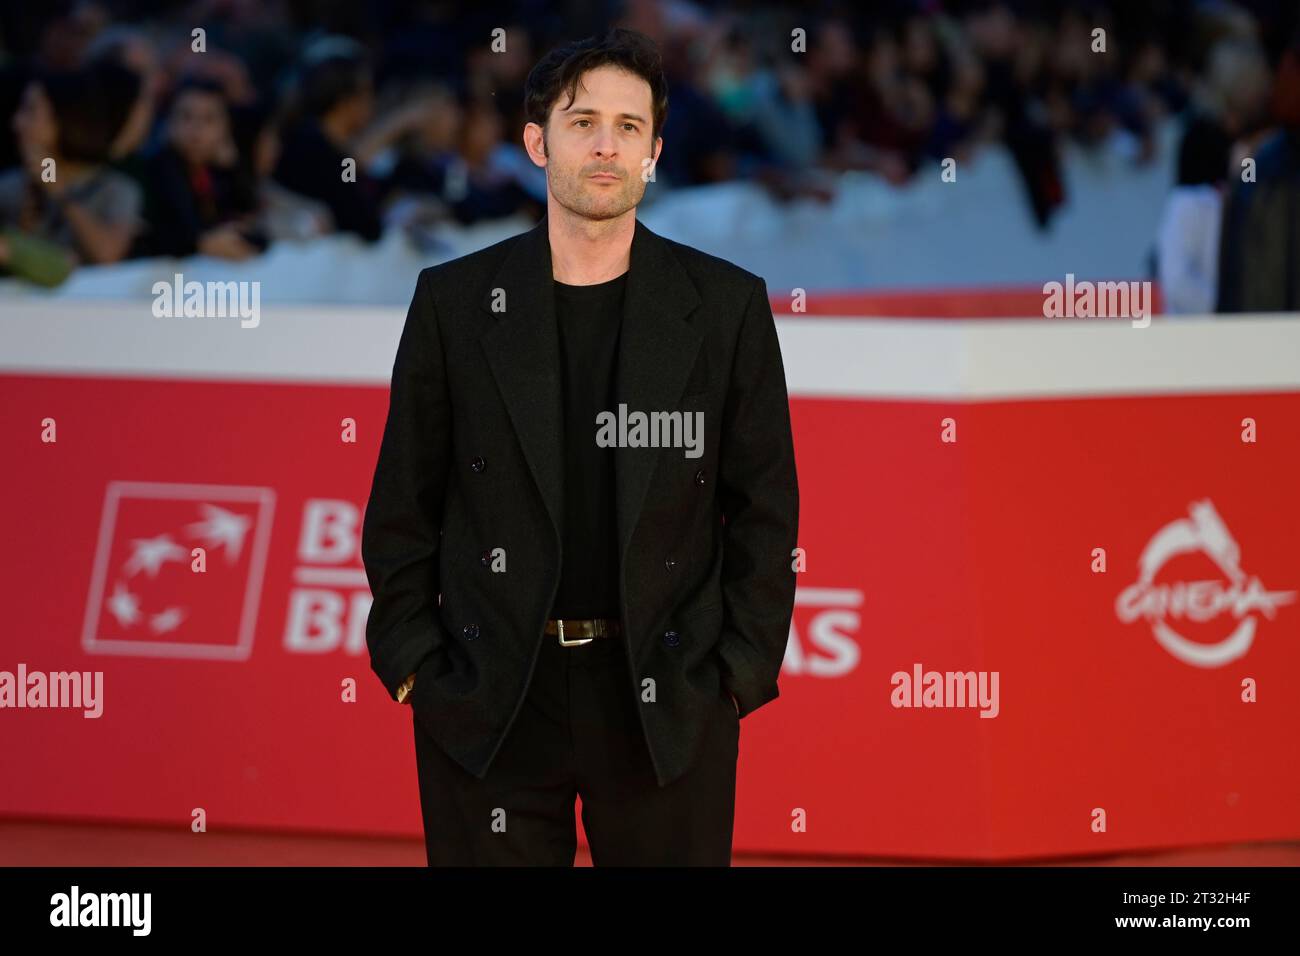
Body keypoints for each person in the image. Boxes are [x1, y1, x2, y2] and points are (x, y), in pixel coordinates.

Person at [361, 27, 799, 866]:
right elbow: (403, 501)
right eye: (583, 122)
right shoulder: (455, 303)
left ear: (655, 152)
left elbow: (764, 505)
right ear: (537, 142)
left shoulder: (725, 305)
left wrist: (735, 675)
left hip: (665, 696)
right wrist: (417, 662)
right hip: (491, 692)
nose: (606, 145)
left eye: (629, 128)